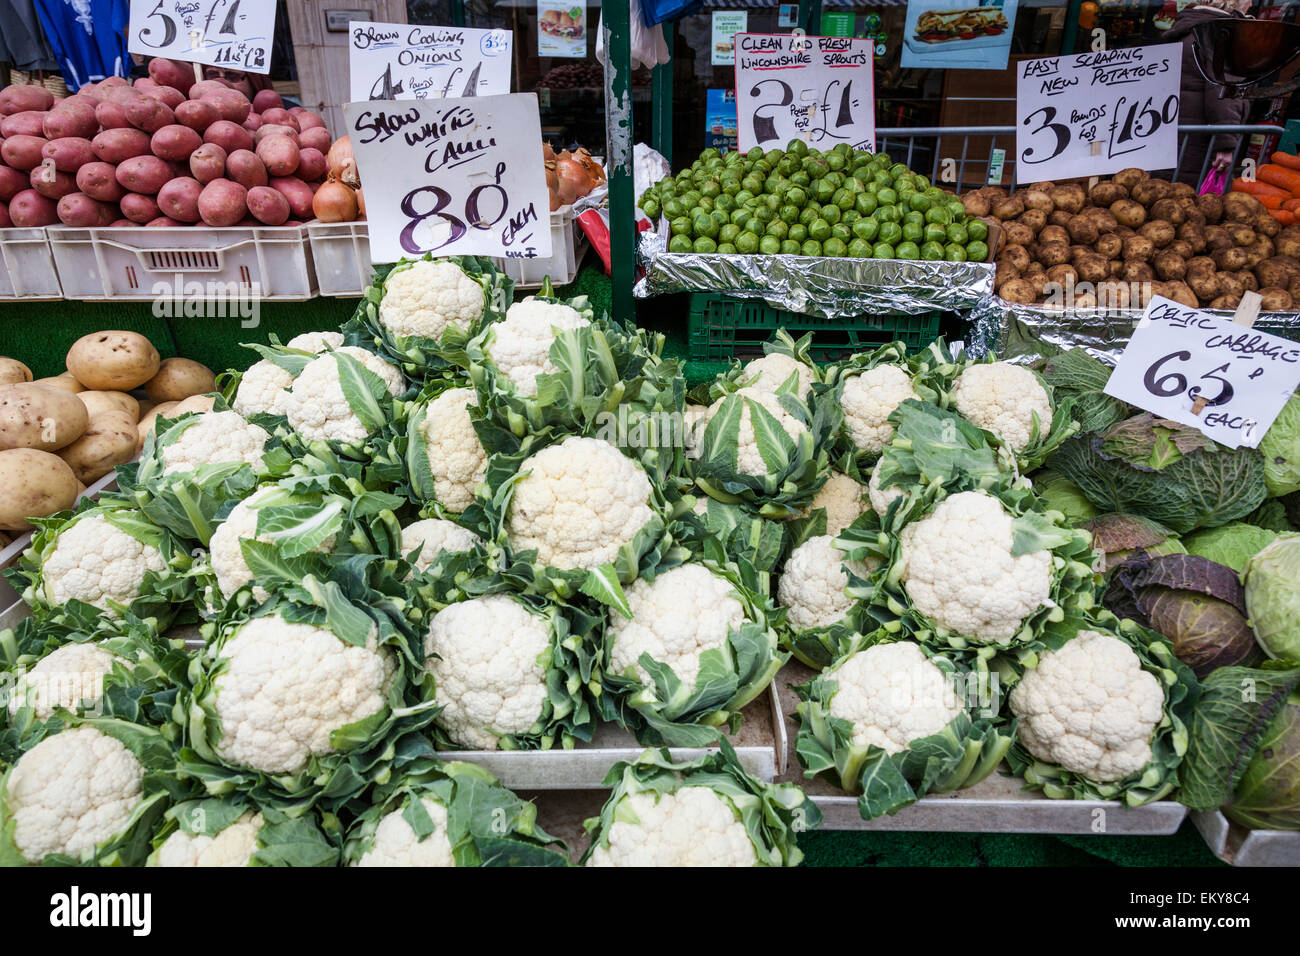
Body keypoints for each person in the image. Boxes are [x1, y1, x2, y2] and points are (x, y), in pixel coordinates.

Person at [1162, 0, 1253, 186]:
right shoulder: (1220, 36)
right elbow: (1224, 92)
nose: (1251, 5)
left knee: (1159, 200)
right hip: (1195, 147)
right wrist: (1227, 144)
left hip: (1166, 140)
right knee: (1188, 204)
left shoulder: (1182, 32)